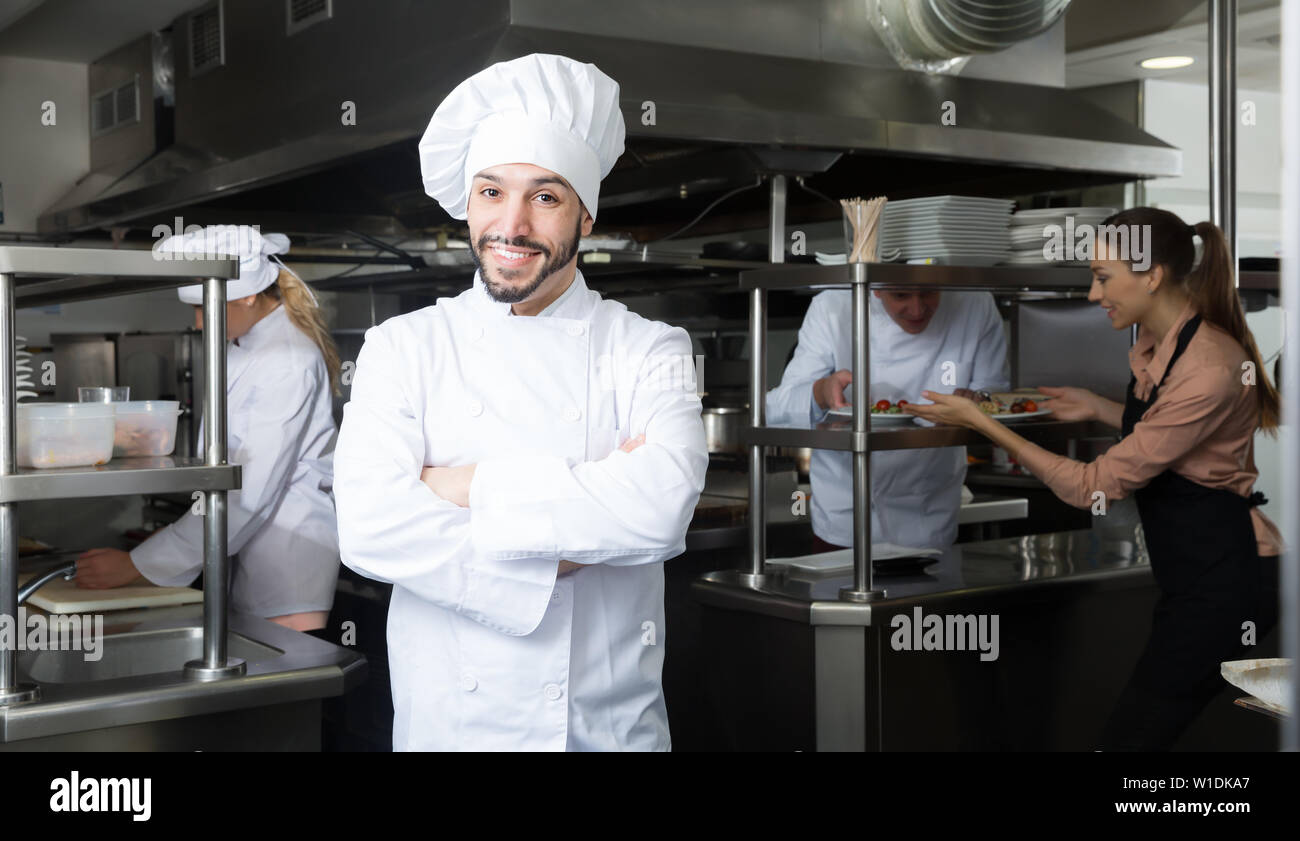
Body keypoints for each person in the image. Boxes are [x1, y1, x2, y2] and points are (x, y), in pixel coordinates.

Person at [333, 53, 708, 751]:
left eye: (545, 195)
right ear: (467, 204)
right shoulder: (403, 347)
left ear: (586, 214)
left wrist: (462, 485)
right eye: (490, 192)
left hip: (605, 726)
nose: (511, 225)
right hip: (457, 727)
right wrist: (567, 545)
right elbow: (367, 524)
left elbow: (660, 509)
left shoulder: (650, 348)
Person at [905, 207, 1282, 750]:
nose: (1091, 293)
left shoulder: (1209, 367)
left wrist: (984, 425)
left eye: (1103, 277)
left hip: (1230, 582)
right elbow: (1173, 440)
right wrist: (1099, 407)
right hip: (1199, 577)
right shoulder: (1165, 347)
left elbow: (1094, 487)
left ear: (1151, 275)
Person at [77, 225, 342, 633]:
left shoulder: (287, 361)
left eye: (207, 307)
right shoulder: (247, 347)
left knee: (278, 690)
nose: (200, 324)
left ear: (249, 294)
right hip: (248, 554)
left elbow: (248, 493)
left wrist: (137, 564)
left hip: (286, 569)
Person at [766, 286, 1009, 550]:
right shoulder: (832, 307)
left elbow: (993, 392)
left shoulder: (975, 302)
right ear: (878, 291)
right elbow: (776, 409)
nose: (917, 309)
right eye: (901, 295)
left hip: (930, 511)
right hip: (846, 515)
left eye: (928, 293)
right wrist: (821, 392)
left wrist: (979, 400)